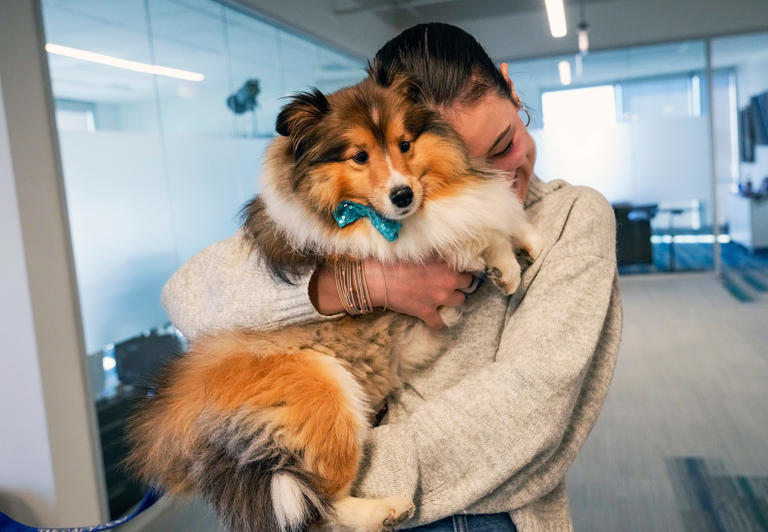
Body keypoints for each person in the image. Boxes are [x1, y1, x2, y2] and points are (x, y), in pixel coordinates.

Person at [161, 23, 622, 532]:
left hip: (477, 512)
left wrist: (323, 464)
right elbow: (186, 296)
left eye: (505, 142)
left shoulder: (574, 218)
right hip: (336, 480)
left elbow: (530, 417)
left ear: (512, 90)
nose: (498, 180)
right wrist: (360, 286)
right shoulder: (377, 207)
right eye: (467, 167)